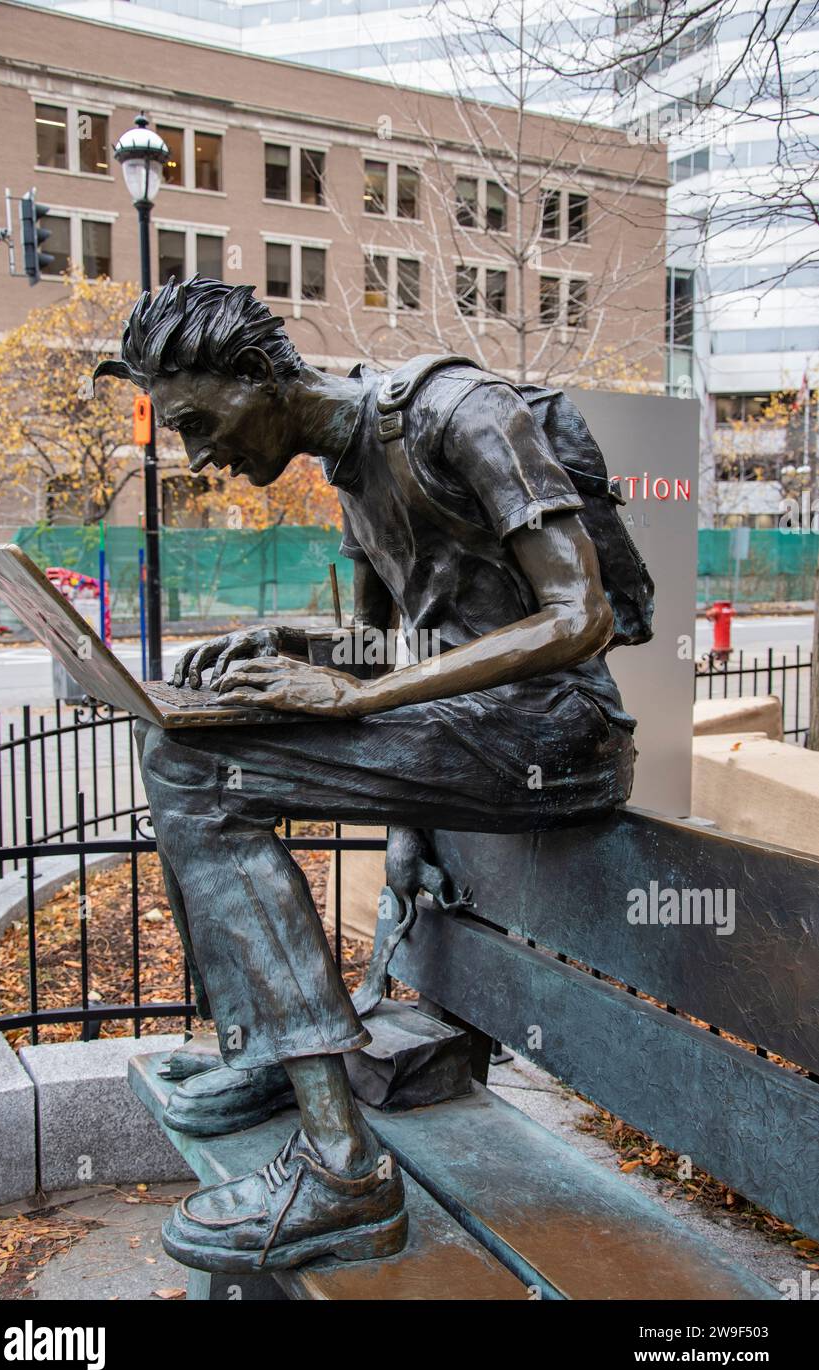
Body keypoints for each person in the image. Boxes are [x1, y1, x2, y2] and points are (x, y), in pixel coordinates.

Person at [94, 276, 638, 1274]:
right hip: (472, 731)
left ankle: (342, 1169)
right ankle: (271, 1061)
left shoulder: (458, 412)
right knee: (177, 733)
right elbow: (387, 647)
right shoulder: (352, 461)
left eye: (199, 422)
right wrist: (288, 641)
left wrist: (346, 699)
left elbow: (578, 619)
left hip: (557, 737)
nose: (199, 454)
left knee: (197, 767)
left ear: (257, 374)